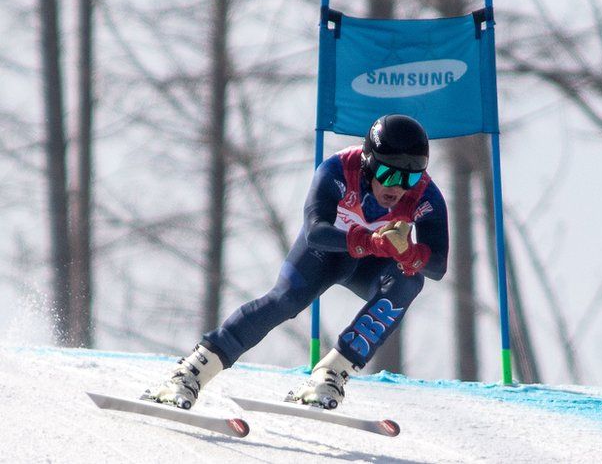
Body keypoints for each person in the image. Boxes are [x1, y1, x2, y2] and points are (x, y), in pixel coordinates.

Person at [143, 114, 449, 411]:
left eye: (409, 177)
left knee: (410, 279)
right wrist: (370, 241)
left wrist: (410, 255)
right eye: (389, 174)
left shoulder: (425, 195)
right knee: (286, 301)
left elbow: (437, 265)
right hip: (325, 252)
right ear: (369, 163)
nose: (397, 187)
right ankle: (191, 372)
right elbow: (316, 231)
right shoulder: (339, 170)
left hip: (368, 263)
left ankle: (332, 373)